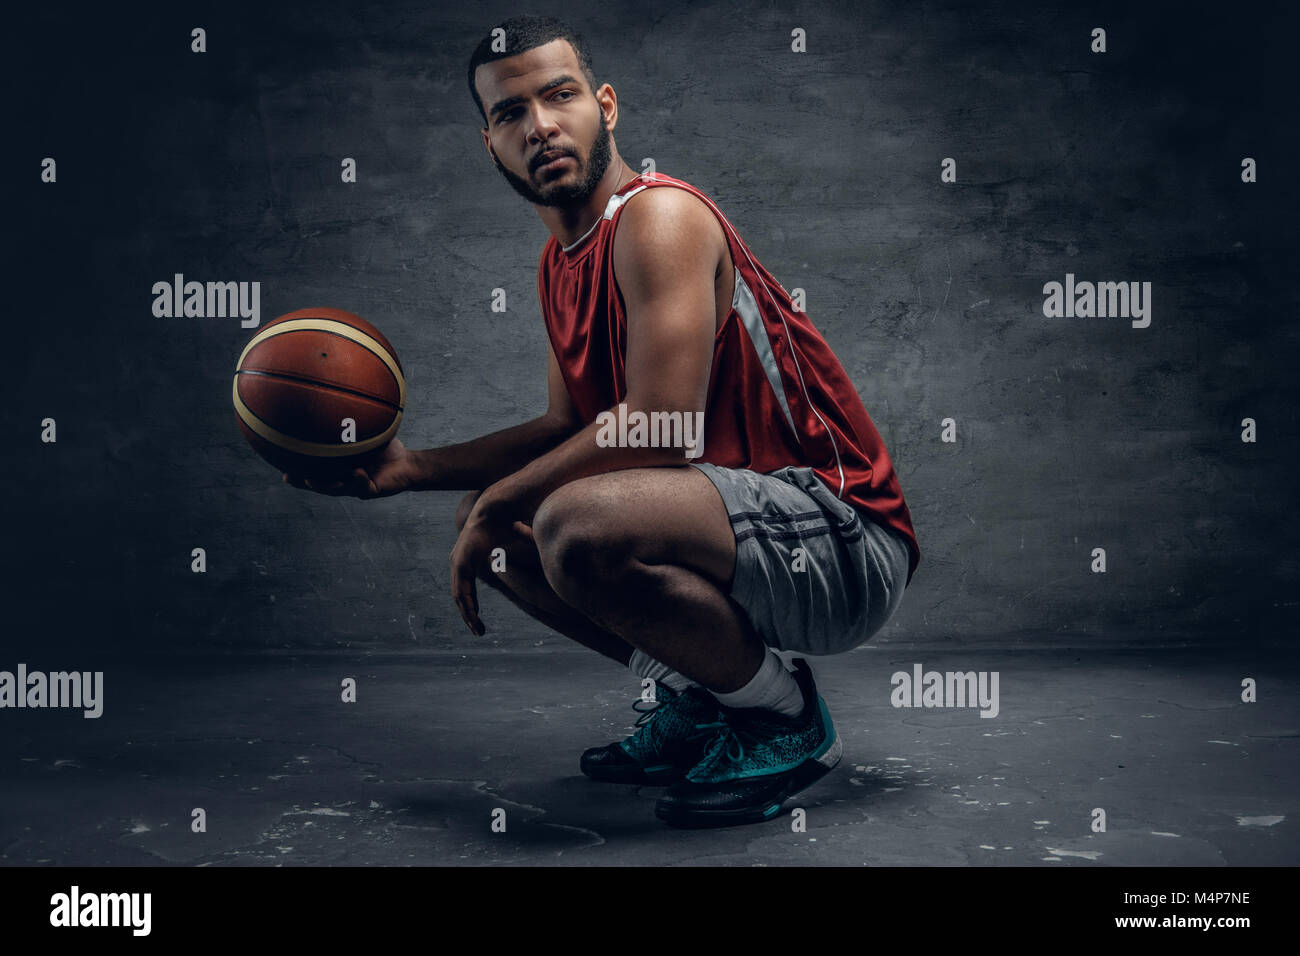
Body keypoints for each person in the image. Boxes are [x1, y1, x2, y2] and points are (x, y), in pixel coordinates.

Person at [284, 15, 920, 829]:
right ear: (491, 143)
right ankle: (710, 697)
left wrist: (496, 500)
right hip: (745, 533)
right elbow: (567, 428)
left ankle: (783, 718)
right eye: (510, 113)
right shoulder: (560, 262)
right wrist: (412, 468)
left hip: (843, 536)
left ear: (605, 106)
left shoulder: (659, 218)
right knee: (511, 535)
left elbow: (657, 426)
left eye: (560, 96)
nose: (540, 125)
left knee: (563, 520)